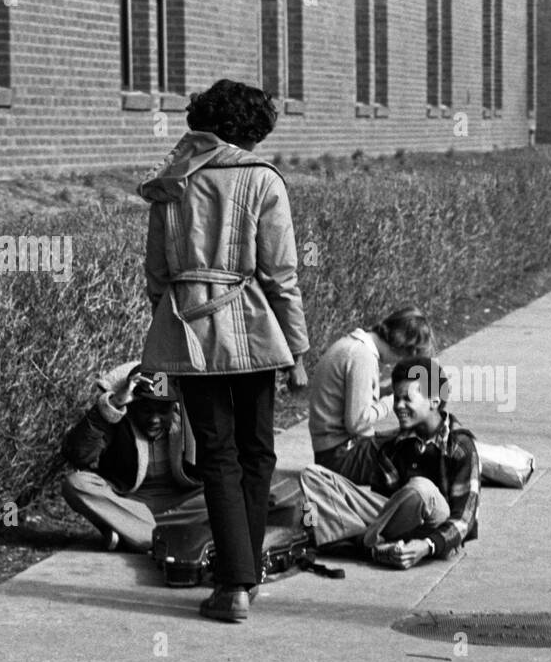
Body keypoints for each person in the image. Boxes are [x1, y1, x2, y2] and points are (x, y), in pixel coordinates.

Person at [140, 79, 309, 623]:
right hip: (254, 327)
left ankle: (235, 583)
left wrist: (168, 327)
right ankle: (244, 577)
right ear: (251, 131)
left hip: (188, 328)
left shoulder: (170, 180)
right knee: (258, 449)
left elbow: (157, 275)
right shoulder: (262, 179)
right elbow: (281, 274)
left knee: (216, 454)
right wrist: (299, 350)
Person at [299, 357, 480, 570]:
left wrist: (427, 545)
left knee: (420, 488)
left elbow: (465, 520)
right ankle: (371, 546)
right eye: (396, 399)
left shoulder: (460, 446)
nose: (398, 406)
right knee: (312, 474)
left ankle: (356, 543)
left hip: (435, 528)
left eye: (407, 399)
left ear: (434, 401)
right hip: (396, 524)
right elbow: (387, 506)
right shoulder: (394, 444)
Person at [61, 361, 206, 552]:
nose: (154, 419)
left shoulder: (188, 419)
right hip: (128, 502)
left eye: (162, 411)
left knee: (235, 492)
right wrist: (112, 406)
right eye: (146, 410)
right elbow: (78, 455)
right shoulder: (117, 416)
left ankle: (129, 532)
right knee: (76, 484)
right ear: (134, 405)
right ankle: (167, 536)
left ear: (174, 406)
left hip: (181, 503)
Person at [308, 307, 434, 485]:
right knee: (426, 448)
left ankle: (473, 461)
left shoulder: (353, 347)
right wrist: (394, 400)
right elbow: (358, 422)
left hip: (337, 450)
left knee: (424, 437)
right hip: (341, 457)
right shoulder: (362, 357)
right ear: (404, 346)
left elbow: (355, 399)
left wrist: (388, 392)